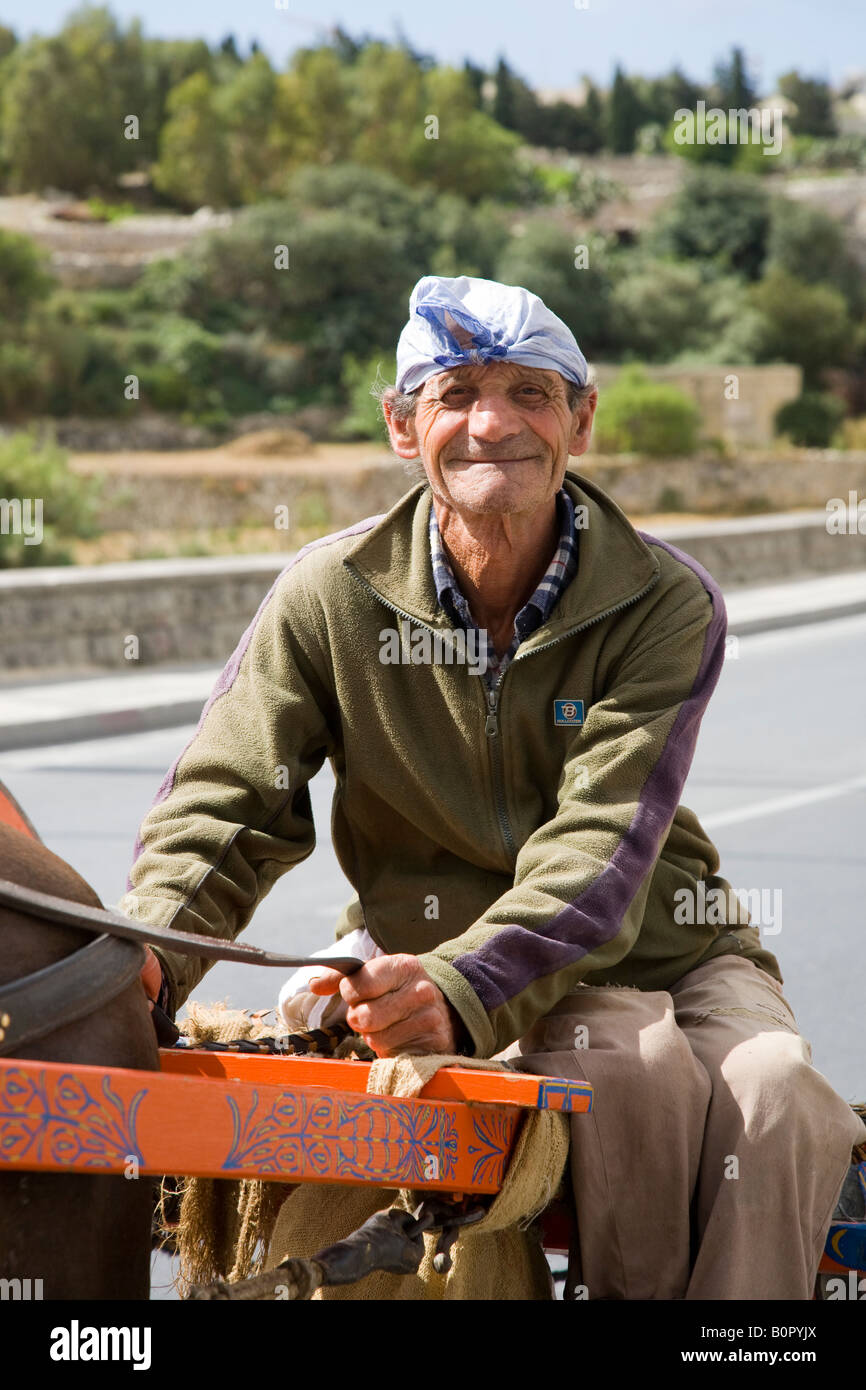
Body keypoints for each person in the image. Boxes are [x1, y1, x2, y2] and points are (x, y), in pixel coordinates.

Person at [124, 274, 865, 1299]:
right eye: (455, 391)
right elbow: (227, 803)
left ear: (580, 420)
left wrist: (460, 987)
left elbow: (598, 848)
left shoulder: (662, 602)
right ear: (399, 425)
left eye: (530, 392)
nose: (491, 423)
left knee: (780, 1096)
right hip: (443, 971)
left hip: (666, 954)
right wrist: (145, 960)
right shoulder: (326, 597)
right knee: (624, 1070)